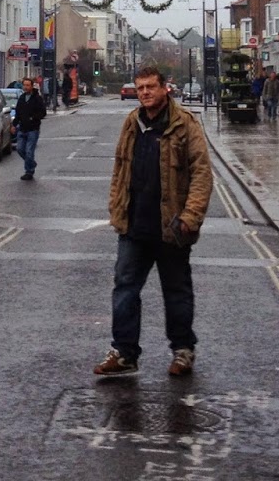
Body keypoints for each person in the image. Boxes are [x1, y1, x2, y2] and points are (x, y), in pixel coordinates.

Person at [95, 66, 213, 378]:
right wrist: (115, 206)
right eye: (140, 87)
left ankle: (183, 351)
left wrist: (190, 218)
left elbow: (201, 173)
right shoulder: (131, 123)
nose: (145, 92)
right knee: (124, 289)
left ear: (165, 89)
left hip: (171, 226)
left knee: (176, 292)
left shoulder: (184, 124)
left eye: (150, 87)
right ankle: (124, 353)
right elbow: (120, 168)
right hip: (133, 225)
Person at [14, 75, 48, 180]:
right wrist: (14, 125)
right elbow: (18, 113)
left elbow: (43, 113)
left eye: (28, 85)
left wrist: (33, 118)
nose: (26, 87)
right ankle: (32, 163)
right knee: (20, 149)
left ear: (32, 86)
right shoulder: (22, 98)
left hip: (33, 129)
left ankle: (29, 171)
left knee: (29, 151)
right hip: (22, 128)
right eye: (24, 85)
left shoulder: (37, 98)